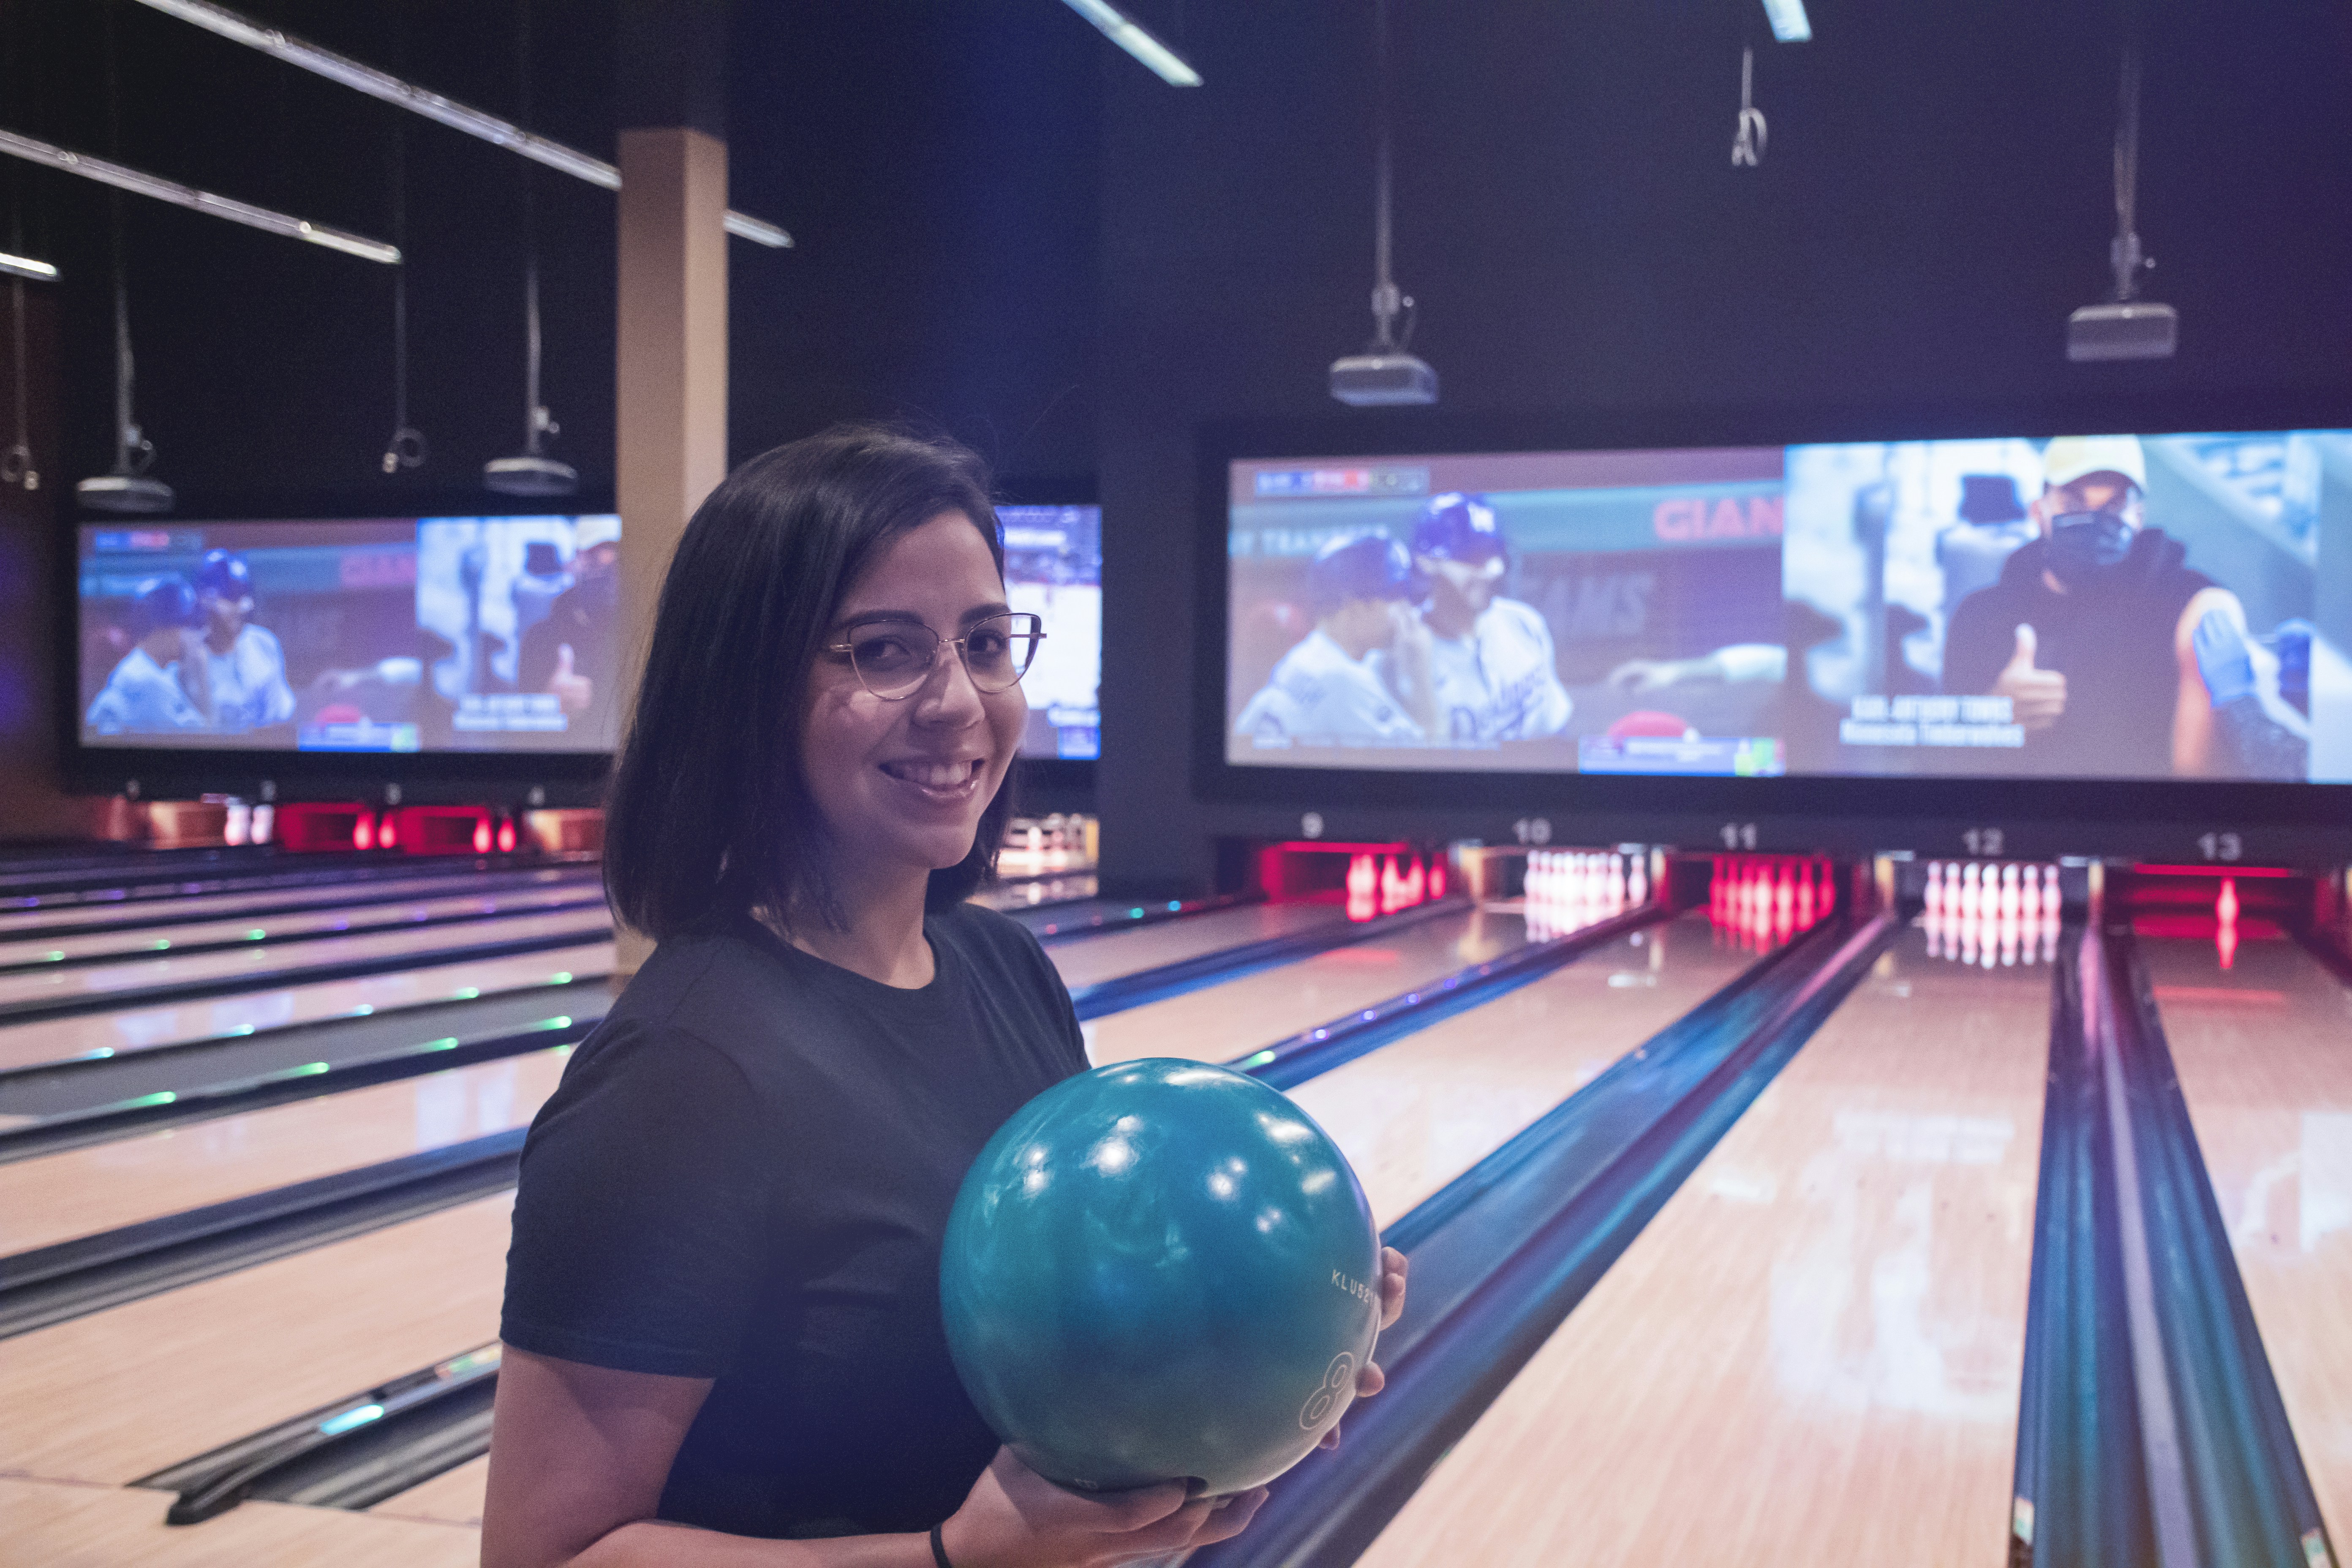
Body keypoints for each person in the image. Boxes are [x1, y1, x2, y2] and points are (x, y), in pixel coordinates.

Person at [484, 425, 1407, 1568]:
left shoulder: (1002, 970)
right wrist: (951, 1561)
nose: (957, 701)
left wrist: (1265, 1322)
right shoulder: (682, 1081)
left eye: (984, 640)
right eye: (880, 652)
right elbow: (547, 1559)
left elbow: (1070, 1363)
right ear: (747, 689)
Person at [1942, 435, 2244, 777]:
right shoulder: (1981, 617)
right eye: (2074, 503)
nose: (2095, 520)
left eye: (2114, 506)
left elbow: (2199, 778)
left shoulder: (2184, 604)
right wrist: (1994, 719)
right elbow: (1943, 768)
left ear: (2138, 518)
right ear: (2039, 512)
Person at [1394, 492, 1572, 744]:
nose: (1491, 570)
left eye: (1493, 554)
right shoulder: (1403, 655)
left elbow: (1555, 730)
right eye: (1471, 557)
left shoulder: (1523, 622)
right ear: (1427, 562)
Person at [1233, 532, 1426, 746]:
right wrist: (1421, 671)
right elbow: (1427, 759)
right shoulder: (1340, 678)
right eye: (1396, 596)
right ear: (1356, 607)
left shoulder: (1305, 659)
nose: (1407, 610)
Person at [518, 515, 620, 721]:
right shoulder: (540, 638)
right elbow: (521, 733)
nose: (606, 561)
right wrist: (550, 706)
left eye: (615, 553)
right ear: (574, 561)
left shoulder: (641, 630)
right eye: (593, 555)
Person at [84, 575, 211, 735]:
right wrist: (202, 672)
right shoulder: (144, 679)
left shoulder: (151, 669)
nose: (196, 637)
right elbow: (204, 739)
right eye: (188, 626)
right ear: (165, 629)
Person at [193, 549, 295, 732]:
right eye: (230, 599)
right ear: (205, 600)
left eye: (241, 598)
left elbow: (281, 716)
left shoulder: (263, 642)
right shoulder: (191, 656)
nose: (239, 609)